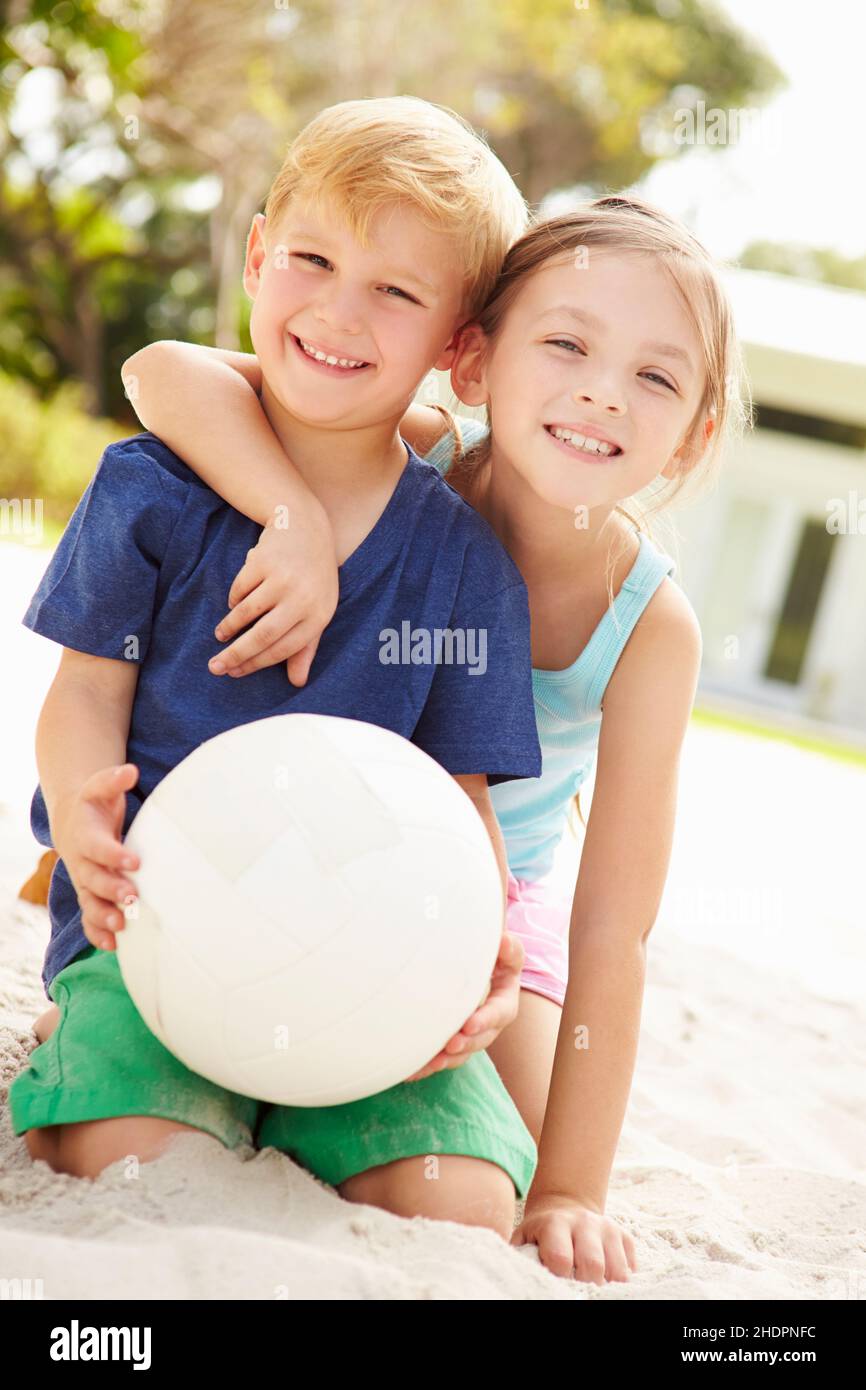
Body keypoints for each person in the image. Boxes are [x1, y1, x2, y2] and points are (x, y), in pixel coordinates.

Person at [119, 194, 748, 1281]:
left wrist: (570, 1190)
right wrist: (291, 512)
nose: (602, 389)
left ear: (693, 429)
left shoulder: (647, 628)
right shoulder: (418, 451)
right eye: (564, 344)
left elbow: (613, 932)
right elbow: (160, 371)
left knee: (511, 1146)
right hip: (306, 836)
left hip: (490, 906)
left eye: (655, 376)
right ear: (475, 362)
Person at [9, 96, 546, 1245]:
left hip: (366, 951)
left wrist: (479, 947)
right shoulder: (151, 493)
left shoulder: (464, 571)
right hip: (150, 925)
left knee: (461, 1202)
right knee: (144, 1159)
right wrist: (85, 833)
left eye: (396, 293)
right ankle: (101, 1049)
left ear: (457, 348)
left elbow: (458, 799)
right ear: (256, 255)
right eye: (311, 258)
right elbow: (86, 699)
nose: (336, 311)